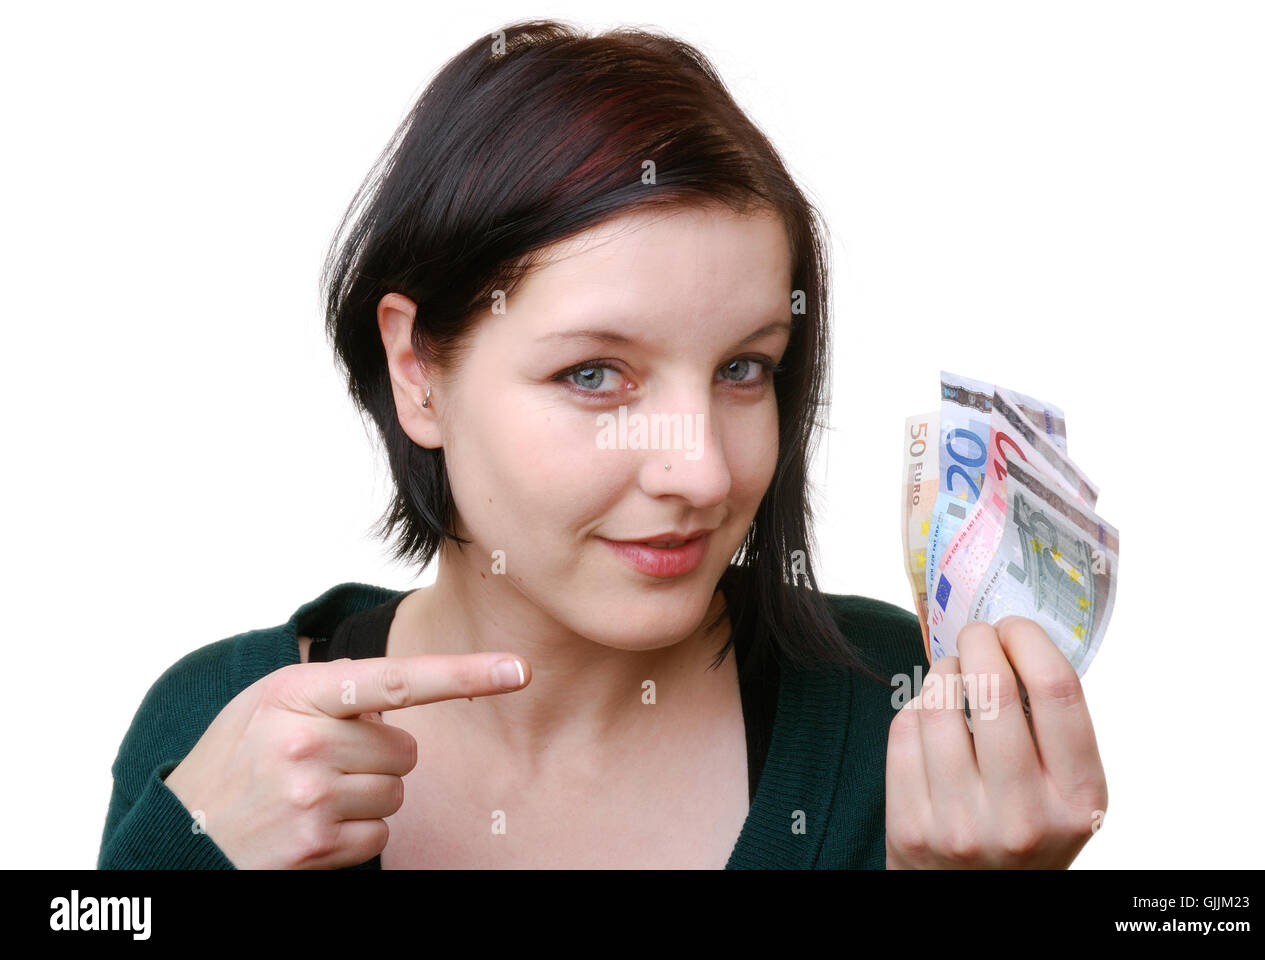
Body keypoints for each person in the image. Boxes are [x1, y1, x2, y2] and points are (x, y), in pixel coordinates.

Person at [98, 18, 1105, 870]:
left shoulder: (910, 714)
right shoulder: (217, 724)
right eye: (592, 376)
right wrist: (190, 855)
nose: (702, 470)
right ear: (416, 370)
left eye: (743, 368)